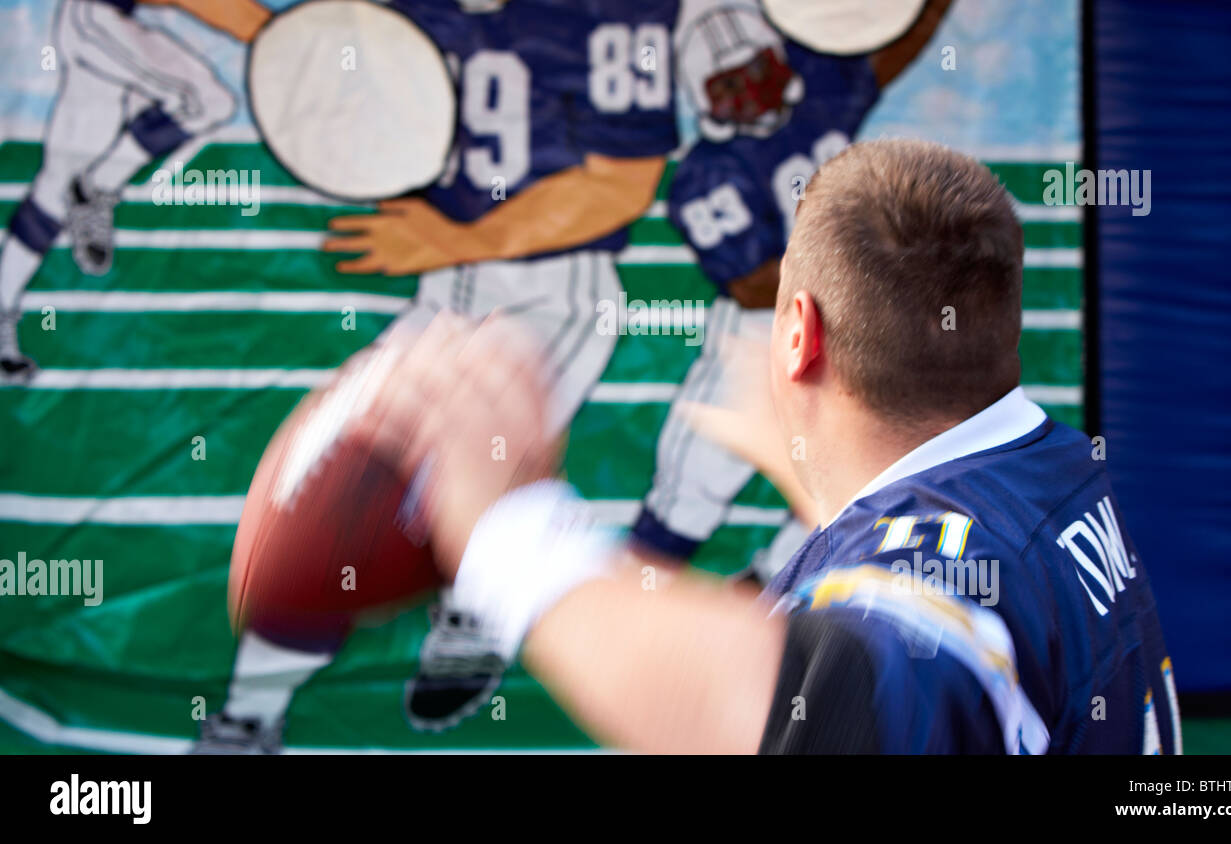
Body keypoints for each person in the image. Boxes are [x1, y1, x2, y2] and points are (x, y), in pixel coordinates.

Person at [349, 138, 1183, 753]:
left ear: (796, 335)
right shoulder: (1057, 465)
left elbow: (845, 703)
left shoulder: (939, 565)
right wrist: (820, 478)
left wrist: (506, 530)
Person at [129, 0, 679, 743]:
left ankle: (471, 612)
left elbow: (621, 180)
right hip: (446, 297)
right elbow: (361, 99)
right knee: (327, 505)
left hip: (548, 295)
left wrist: (454, 232)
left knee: (456, 501)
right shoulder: (421, 13)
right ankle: (250, 714)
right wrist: (246, 21)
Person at [637, 0, 992, 581]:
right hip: (757, 337)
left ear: (779, 62)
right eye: (731, 87)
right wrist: (863, 262)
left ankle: (767, 599)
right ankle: (633, 626)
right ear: (707, 101)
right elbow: (749, 279)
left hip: (843, 332)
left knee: (848, 486)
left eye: (757, 75)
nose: (753, 95)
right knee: (689, 494)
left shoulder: (821, 92)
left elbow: (900, 42)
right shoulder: (704, 177)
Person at [0, 0, 265, 381]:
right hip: (93, 15)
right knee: (209, 100)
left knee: (55, 184)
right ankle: (101, 185)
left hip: (104, 20)